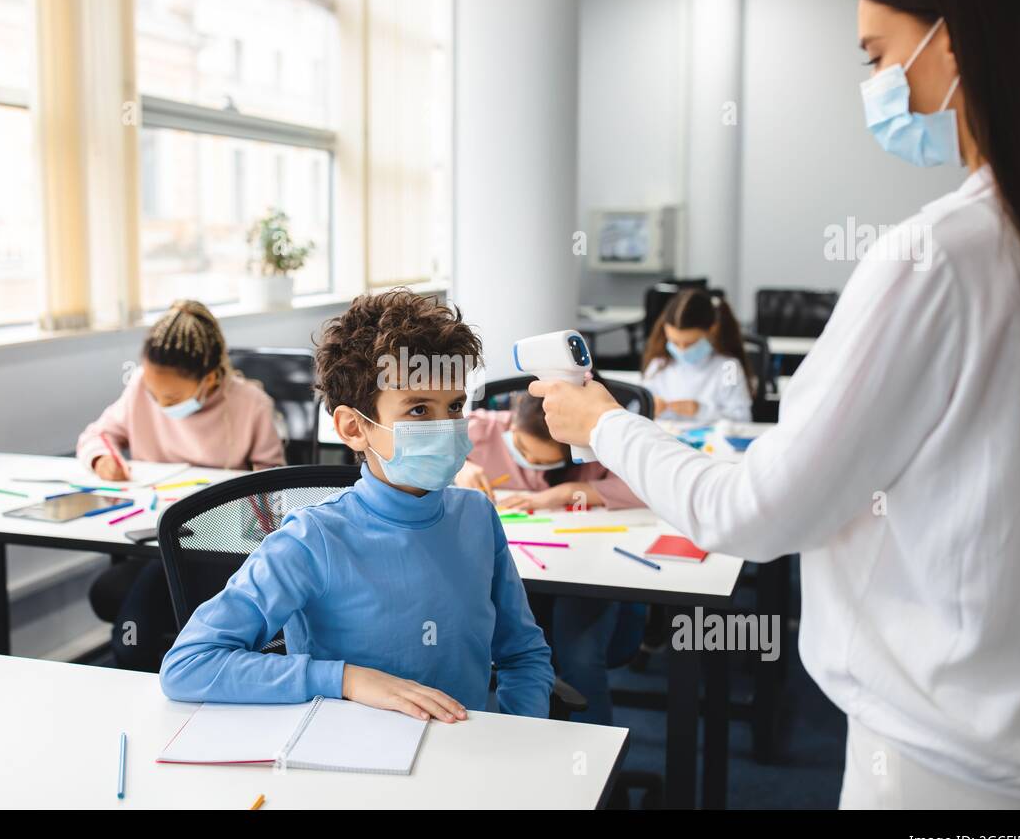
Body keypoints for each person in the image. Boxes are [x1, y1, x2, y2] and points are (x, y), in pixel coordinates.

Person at [530, 0, 1020, 807]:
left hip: (942, 764)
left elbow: (755, 513)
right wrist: (649, 477)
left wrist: (601, 422)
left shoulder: (936, 259)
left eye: (876, 54)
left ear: (956, 43)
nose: (876, 83)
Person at [161, 290, 554, 720]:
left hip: (462, 758)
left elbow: (524, 655)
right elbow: (188, 665)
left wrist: (522, 735)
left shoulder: (477, 516)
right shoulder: (312, 539)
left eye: (455, 406)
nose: (446, 426)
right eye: (419, 410)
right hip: (350, 763)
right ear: (353, 427)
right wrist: (347, 679)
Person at [78, 300, 284, 670]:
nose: (159, 404)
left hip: (218, 551)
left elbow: (272, 492)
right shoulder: (141, 388)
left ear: (207, 379)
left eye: (170, 398)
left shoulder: (251, 405)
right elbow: (99, 433)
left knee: (131, 636)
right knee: (120, 611)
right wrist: (102, 458)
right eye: (154, 395)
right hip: (152, 542)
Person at [455, 393, 646, 724]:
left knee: (581, 658)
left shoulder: (595, 452)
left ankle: (594, 758)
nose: (529, 463)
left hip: (585, 572)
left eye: (544, 462)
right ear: (512, 422)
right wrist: (460, 467)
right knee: (491, 648)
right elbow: (416, 452)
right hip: (515, 570)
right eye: (523, 451)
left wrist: (559, 495)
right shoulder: (480, 431)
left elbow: (642, 488)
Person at [640, 289, 753, 425]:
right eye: (674, 342)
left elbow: (742, 419)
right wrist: (649, 407)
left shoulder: (728, 367)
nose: (681, 350)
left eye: (690, 343)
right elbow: (636, 408)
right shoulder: (658, 365)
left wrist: (701, 410)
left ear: (712, 330)